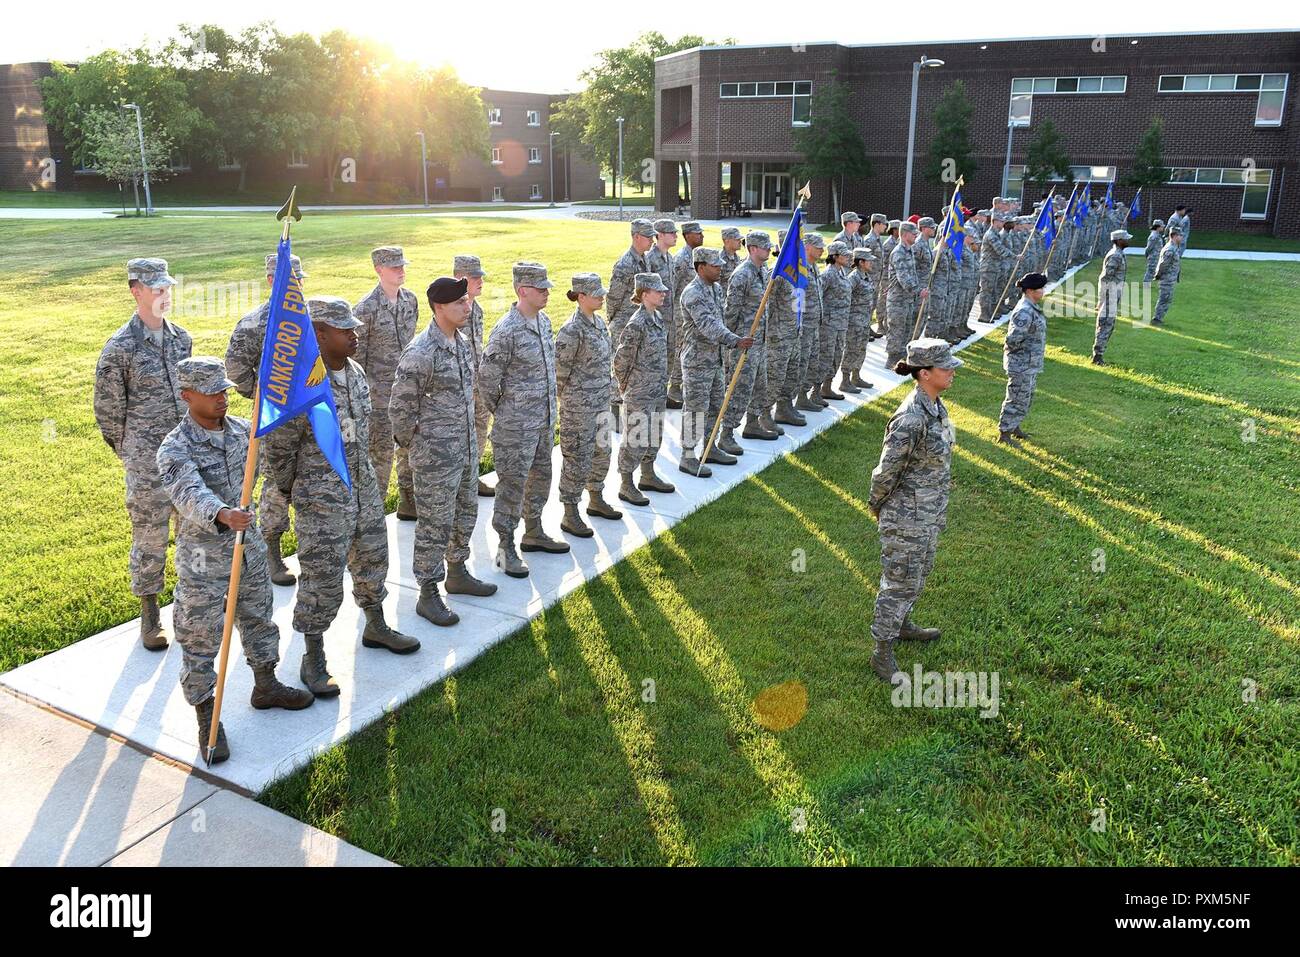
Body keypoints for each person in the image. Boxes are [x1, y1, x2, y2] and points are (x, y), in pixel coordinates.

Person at [156, 357, 315, 765]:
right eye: (211, 393)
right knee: (200, 637)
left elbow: (263, 469)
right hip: (204, 560)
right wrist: (224, 514)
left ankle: (266, 684)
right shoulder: (174, 447)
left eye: (224, 390)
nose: (222, 398)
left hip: (250, 552)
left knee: (259, 618)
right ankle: (207, 716)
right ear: (187, 396)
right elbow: (187, 491)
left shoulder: (246, 433)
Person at [264, 297, 418, 692]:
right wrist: (297, 490)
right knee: (322, 576)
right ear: (319, 333)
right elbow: (279, 452)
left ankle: (376, 625)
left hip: (363, 487)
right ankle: (312, 655)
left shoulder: (356, 372)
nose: (355, 335)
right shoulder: (301, 386)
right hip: (321, 497)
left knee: (372, 558)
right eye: (345, 330)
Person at [94, 258, 192, 651]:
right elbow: (108, 410)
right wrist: (131, 451)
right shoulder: (120, 348)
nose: (164, 295)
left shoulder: (182, 339)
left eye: (167, 288)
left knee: (191, 530)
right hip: (146, 459)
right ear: (135, 291)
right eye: (156, 289)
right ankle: (150, 613)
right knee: (150, 535)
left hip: (185, 456)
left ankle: (190, 603)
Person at [391, 277, 499, 626]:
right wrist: (421, 446)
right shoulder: (421, 352)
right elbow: (400, 411)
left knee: (465, 513)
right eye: (460, 304)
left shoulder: (462, 342)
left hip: (465, 449)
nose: (468, 308)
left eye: (467, 301)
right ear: (439, 308)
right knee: (434, 524)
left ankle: (457, 571)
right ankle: (427, 592)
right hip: (435, 457)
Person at [867, 338, 959, 683]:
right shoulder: (910, 418)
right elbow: (886, 471)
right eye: (945, 367)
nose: (952, 372)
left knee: (917, 576)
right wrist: (877, 505)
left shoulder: (937, 407)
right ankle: (882, 652)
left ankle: (903, 625)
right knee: (899, 583)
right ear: (924, 373)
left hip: (928, 513)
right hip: (906, 518)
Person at [478, 262, 568, 578]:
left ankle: (533, 532)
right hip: (515, 427)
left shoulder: (543, 322)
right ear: (522, 290)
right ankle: (505, 548)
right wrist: (507, 413)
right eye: (540, 287)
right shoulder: (506, 331)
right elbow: (487, 381)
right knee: (511, 488)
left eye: (546, 286)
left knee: (541, 477)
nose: (546, 292)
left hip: (543, 422)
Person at [225, 253, 305, 584]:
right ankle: (272, 552)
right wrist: (261, 397)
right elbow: (236, 369)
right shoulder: (254, 324)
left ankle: (315, 545)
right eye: (290, 278)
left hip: (310, 417)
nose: (297, 284)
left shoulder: (311, 319)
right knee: (276, 486)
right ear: (272, 281)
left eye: (300, 278)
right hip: (275, 422)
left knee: (312, 481)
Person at [554, 273, 623, 537]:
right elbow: (559, 373)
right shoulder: (572, 330)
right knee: (577, 460)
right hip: (578, 409)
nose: (602, 297)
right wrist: (570, 402)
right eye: (596, 294)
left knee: (602, 453)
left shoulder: (597, 323)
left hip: (601, 403)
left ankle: (596, 498)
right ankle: (570, 512)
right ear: (581, 297)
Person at [353, 245, 419, 520]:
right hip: (378, 399)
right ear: (379, 270)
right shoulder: (364, 309)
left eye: (402, 265)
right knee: (380, 460)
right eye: (395, 267)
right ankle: (372, 516)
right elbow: (356, 362)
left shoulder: (411, 301)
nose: (401, 271)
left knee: (409, 451)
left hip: (407, 393)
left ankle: (407, 501)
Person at [678, 247, 755, 475]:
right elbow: (709, 326)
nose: (720, 268)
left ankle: (709, 448)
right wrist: (735, 340)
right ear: (701, 268)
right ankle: (688, 456)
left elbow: (721, 319)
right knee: (695, 410)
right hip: (697, 362)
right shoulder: (692, 293)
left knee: (715, 406)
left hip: (715, 360)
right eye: (715, 265)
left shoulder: (716, 289)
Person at [613, 272, 676, 497]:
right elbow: (621, 361)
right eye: (658, 291)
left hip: (657, 390)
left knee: (654, 435)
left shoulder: (657, 317)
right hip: (639, 393)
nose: (663, 293)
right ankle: (626, 484)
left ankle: (647, 475)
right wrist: (627, 387)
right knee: (635, 438)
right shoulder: (637, 324)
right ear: (644, 294)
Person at [722, 230, 779, 441]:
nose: (769, 250)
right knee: (739, 389)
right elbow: (731, 312)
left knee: (759, 386)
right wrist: (733, 343)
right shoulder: (742, 274)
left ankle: (752, 424)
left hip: (760, 342)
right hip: (744, 342)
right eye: (765, 247)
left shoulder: (763, 271)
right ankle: (726, 434)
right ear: (753, 249)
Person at [452, 254, 496, 498]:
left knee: (479, 427)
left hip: (477, 382)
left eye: (481, 275)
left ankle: (472, 475)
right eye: (474, 276)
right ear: (459, 278)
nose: (480, 280)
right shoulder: (453, 309)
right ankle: (458, 481)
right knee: (461, 432)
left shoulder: (476, 308)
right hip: (459, 385)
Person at [605, 219, 654, 429]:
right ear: (636, 237)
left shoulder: (645, 260)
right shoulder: (625, 264)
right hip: (624, 323)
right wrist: (614, 320)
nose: (652, 240)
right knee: (620, 367)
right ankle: (614, 411)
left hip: (639, 322)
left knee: (637, 366)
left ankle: (632, 408)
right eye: (648, 236)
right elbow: (613, 297)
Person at [997, 273, 1049, 445]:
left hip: (1029, 364)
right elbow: (1012, 340)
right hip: (1021, 364)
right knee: (1016, 398)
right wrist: (1021, 358)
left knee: (1025, 397)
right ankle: (1004, 433)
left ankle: (1015, 426)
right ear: (1029, 291)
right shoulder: (1024, 311)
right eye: (1040, 288)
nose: (1042, 291)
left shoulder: (1031, 307)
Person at [766, 228, 805, 429]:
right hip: (779, 336)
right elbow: (768, 308)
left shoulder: (798, 272)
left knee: (791, 375)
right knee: (775, 377)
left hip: (794, 333)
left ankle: (784, 407)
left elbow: (799, 301)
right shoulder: (777, 275)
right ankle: (764, 414)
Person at [668, 222, 704, 408]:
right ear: (688, 235)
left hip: (694, 315)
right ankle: (674, 387)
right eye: (698, 234)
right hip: (681, 315)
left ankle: (683, 384)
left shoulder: (697, 256)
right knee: (679, 349)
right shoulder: (681, 259)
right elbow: (672, 287)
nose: (702, 236)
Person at [646, 220, 679, 411]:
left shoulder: (670, 258)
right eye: (671, 232)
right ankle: (652, 397)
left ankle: (662, 394)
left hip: (670, 318)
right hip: (656, 319)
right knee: (654, 360)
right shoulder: (651, 259)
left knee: (669, 357)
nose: (675, 235)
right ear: (659, 235)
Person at [885, 222, 926, 369]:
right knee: (897, 330)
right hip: (898, 300)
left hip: (907, 299)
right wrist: (918, 291)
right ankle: (892, 360)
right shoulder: (898, 253)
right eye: (913, 232)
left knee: (906, 329)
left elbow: (912, 275)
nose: (916, 235)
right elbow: (904, 279)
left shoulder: (909, 251)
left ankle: (902, 358)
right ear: (904, 234)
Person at [817, 240, 854, 399]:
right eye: (844, 254)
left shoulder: (841, 272)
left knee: (836, 356)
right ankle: (815, 391)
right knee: (825, 357)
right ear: (835, 256)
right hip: (829, 325)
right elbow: (818, 296)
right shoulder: (828, 274)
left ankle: (827, 387)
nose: (847, 256)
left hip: (841, 324)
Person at [795, 232, 827, 411]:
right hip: (804, 327)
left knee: (811, 363)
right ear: (807, 247)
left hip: (814, 325)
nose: (822, 249)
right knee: (802, 363)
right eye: (818, 246)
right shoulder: (800, 269)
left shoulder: (814, 267)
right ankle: (797, 398)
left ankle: (804, 395)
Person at [1092, 229, 1131, 365]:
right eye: (1125, 238)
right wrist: (1102, 299)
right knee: (1105, 324)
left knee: (1109, 325)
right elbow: (1105, 278)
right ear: (1119, 240)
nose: (1128, 240)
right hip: (1109, 296)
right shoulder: (1115, 256)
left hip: (1113, 295)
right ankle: (1097, 356)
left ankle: (1099, 354)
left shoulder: (1119, 254)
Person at [844, 248, 878, 390]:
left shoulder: (865, 276)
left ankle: (856, 376)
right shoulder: (854, 278)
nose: (871, 263)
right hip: (854, 321)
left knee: (861, 349)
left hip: (864, 320)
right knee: (851, 349)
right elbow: (845, 298)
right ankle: (845, 380)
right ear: (861, 262)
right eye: (868, 260)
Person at [1151, 225, 1184, 328]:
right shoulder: (1170, 249)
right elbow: (1163, 264)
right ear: (1174, 236)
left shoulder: (1174, 248)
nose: (1182, 238)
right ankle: (1156, 319)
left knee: (1166, 298)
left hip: (1170, 278)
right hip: (1166, 278)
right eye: (1180, 235)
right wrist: (1159, 275)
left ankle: (1158, 318)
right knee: (1164, 298)